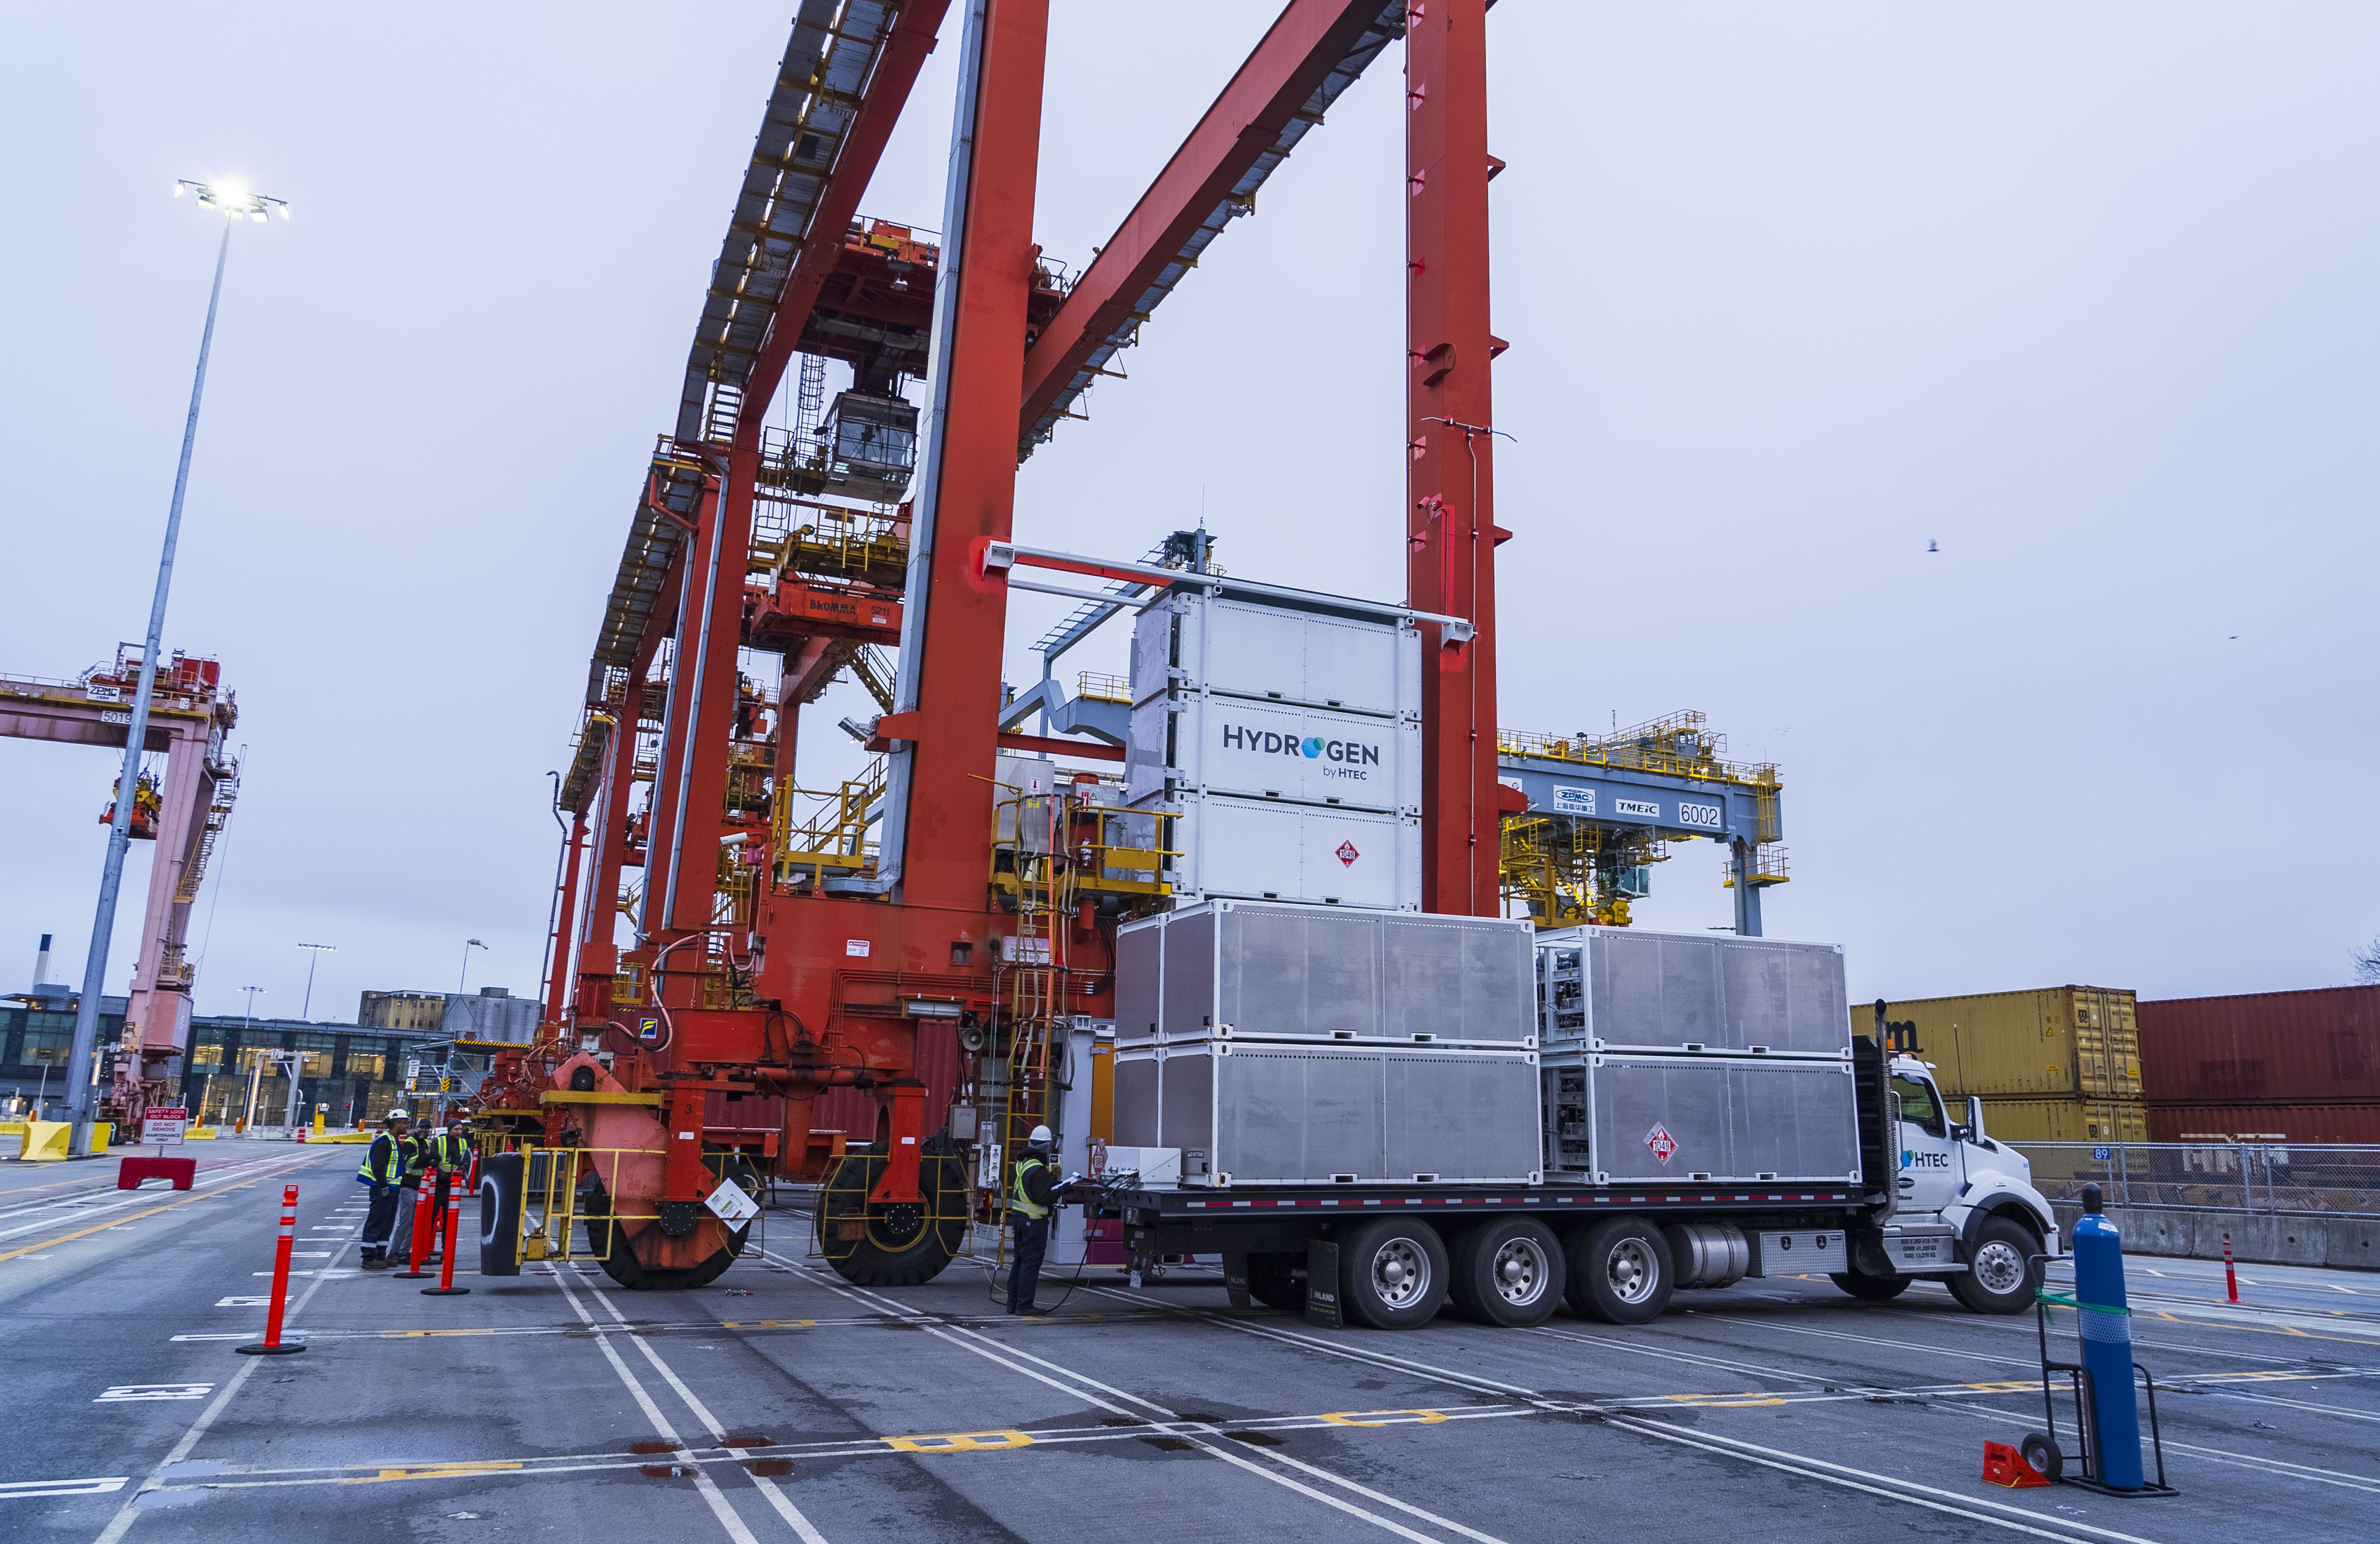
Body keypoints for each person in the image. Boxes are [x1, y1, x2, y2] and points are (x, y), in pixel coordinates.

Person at [1006, 1124, 1059, 1316]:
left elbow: (1029, 1190)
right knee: (1030, 1264)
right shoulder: (1038, 1169)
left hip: (1019, 1220)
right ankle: (1025, 1305)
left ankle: (1012, 1303)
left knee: (1019, 1262)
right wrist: (1062, 1189)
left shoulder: (1022, 1163)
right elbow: (1043, 1198)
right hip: (1034, 1222)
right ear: (1047, 1147)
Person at [356, 1111, 412, 1268]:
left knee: (387, 1223)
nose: (407, 1126)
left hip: (392, 1189)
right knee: (376, 1221)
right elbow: (378, 1168)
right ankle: (368, 1257)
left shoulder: (393, 1141)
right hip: (382, 1189)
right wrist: (384, 1186)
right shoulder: (384, 1142)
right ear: (396, 1124)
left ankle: (380, 1255)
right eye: (404, 1122)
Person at [386, 1110, 428, 1266]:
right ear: (417, 1128)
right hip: (408, 1186)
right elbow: (411, 1162)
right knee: (405, 1221)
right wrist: (428, 1159)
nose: (425, 1130)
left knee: (414, 1223)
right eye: (422, 1127)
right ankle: (394, 1252)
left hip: (419, 1187)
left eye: (427, 1128)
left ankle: (404, 1251)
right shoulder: (411, 1142)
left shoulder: (425, 1144)